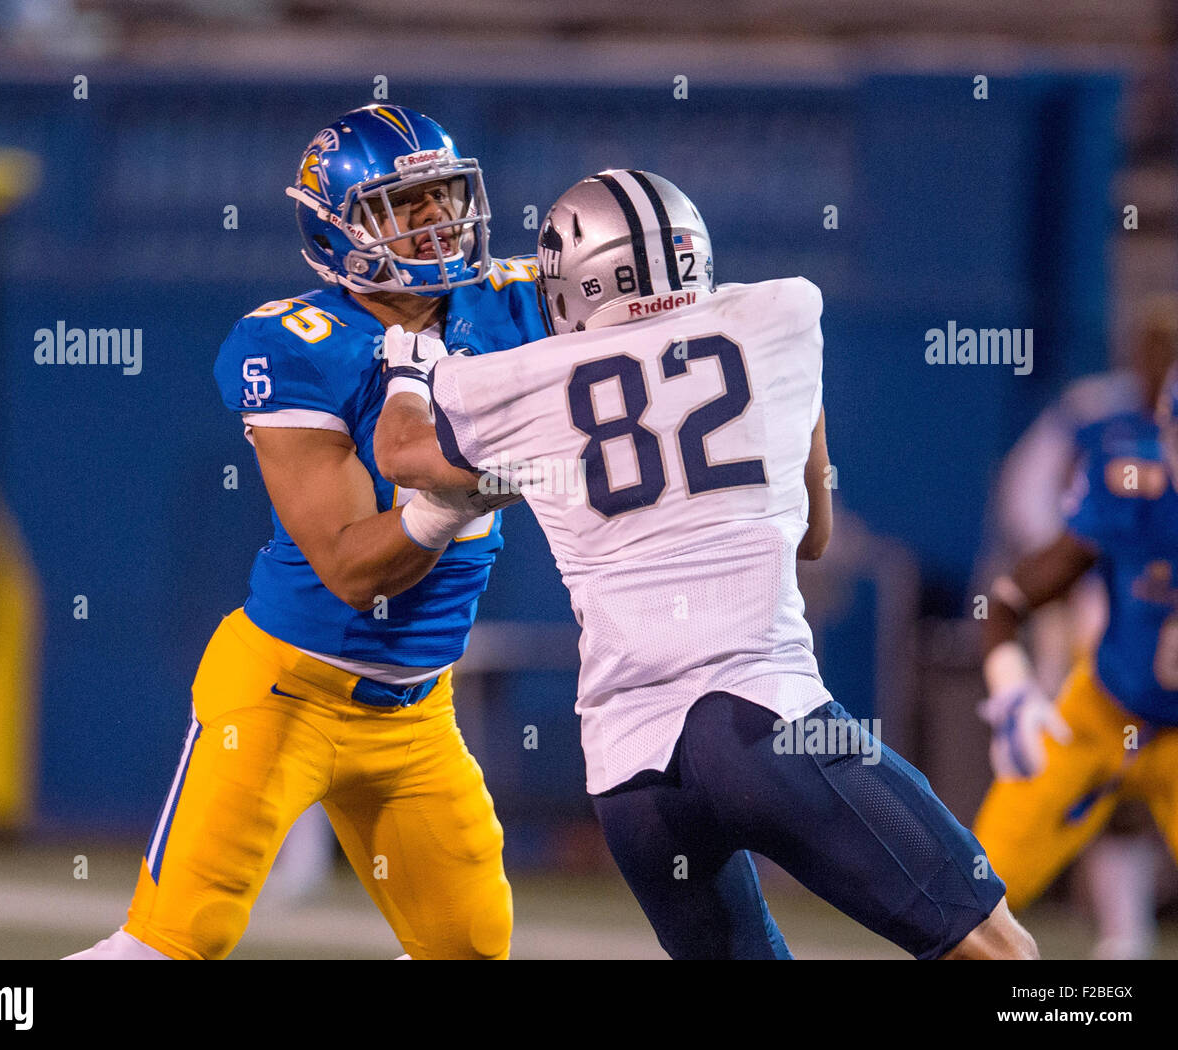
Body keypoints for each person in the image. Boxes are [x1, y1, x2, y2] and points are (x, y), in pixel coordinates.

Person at [373, 169, 1036, 960]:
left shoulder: (512, 383)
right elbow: (814, 537)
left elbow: (400, 452)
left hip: (630, 782)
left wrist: (409, 367)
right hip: (764, 725)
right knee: (999, 952)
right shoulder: (781, 315)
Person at [67, 104, 544, 960]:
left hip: (418, 709)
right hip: (287, 694)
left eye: (441, 194)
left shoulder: (508, 300)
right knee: (174, 944)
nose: (437, 220)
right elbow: (352, 570)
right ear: (342, 228)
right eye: (406, 205)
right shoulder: (301, 343)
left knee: (467, 951)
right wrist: (465, 495)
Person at [974, 358, 1178, 941]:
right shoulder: (1133, 487)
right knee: (973, 896)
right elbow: (1005, 602)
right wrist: (1013, 690)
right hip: (1100, 710)